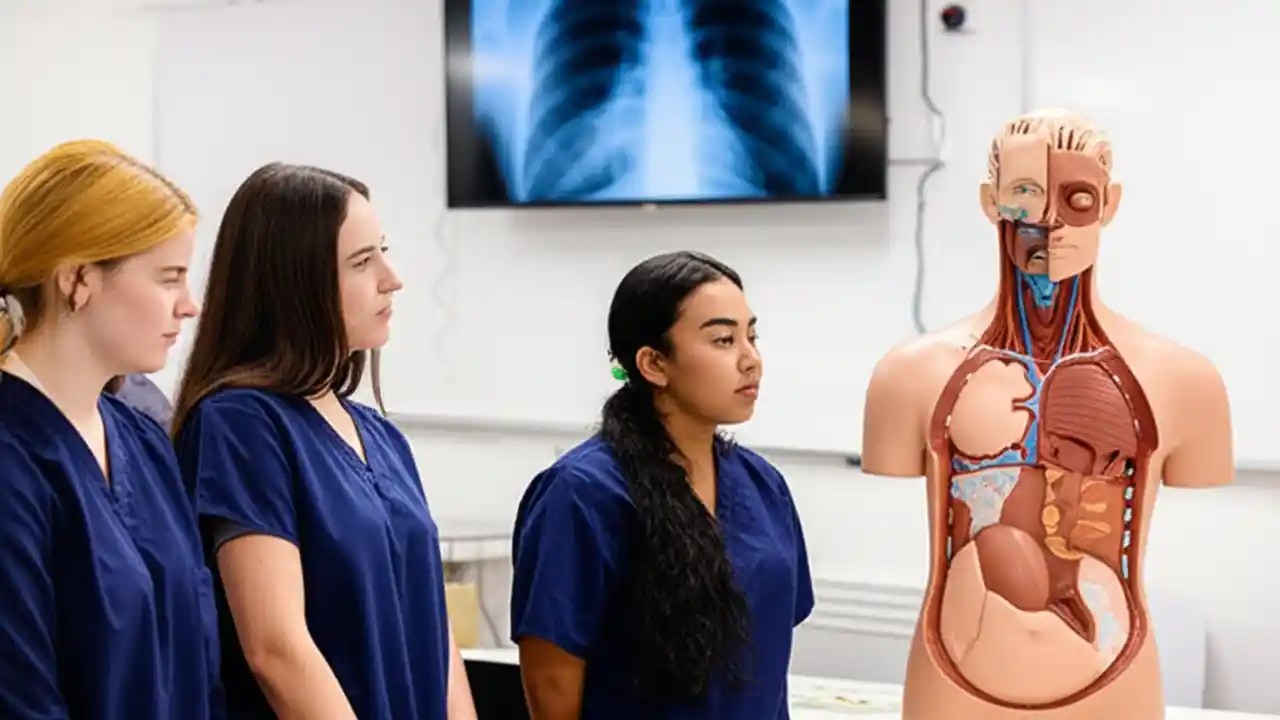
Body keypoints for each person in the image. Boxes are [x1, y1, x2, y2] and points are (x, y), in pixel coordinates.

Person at [861, 109, 1232, 720]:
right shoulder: (910, 374)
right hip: (954, 680)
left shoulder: (1184, 379)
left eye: (1077, 199)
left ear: (1110, 205)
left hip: (1113, 681)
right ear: (991, 203)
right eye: (1026, 196)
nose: (1051, 223)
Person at [171, 163, 476, 720]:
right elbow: (276, 650)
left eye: (383, 252)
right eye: (362, 262)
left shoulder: (382, 437)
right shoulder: (241, 425)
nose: (391, 278)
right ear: (293, 283)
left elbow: (437, 632)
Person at [510, 250, 815, 719]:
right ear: (653, 363)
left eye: (751, 336)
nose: (751, 360)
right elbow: (551, 681)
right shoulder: (582, 493)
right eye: (723, 340)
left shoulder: (763, 485)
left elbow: (767, 648)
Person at [0, 140, 220, 718]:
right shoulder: (13, 461)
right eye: (169, 278)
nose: (190, 305)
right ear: (78, 279)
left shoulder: (145, 443)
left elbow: (198, 665)